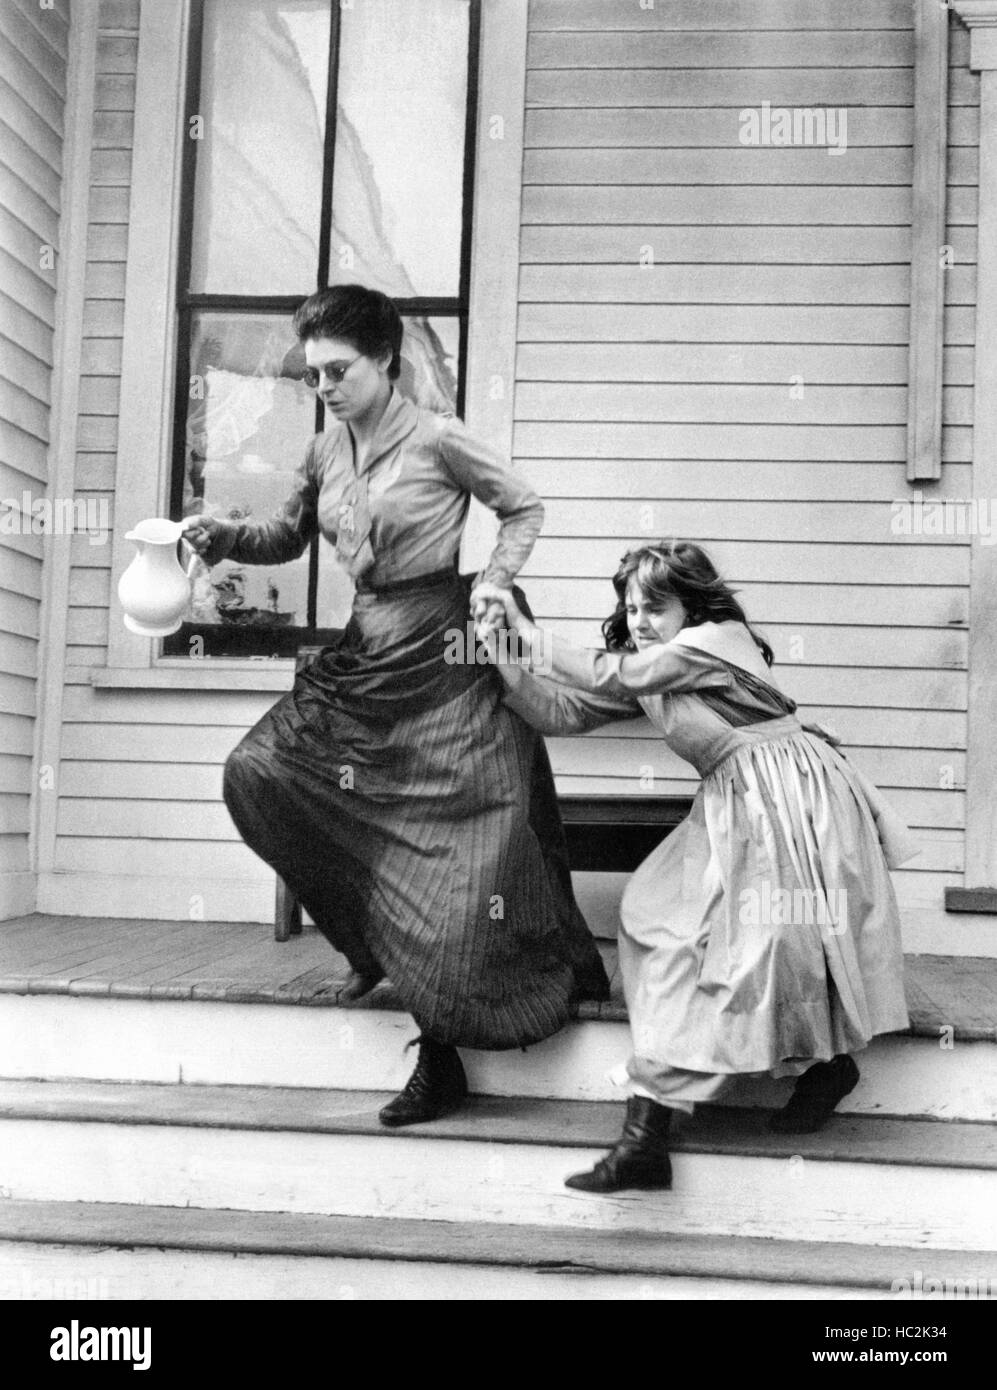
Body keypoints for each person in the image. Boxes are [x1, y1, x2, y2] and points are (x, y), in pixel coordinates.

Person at [182, 284, 608, 1127]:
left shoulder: (440, 439)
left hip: (445, 656)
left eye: (338, 370)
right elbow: (289, 538)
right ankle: (368, 944)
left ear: (384, 360)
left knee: (454, 853)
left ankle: (439, 1061)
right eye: (313, 375)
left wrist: (493, 582)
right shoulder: (322, 451)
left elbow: (523, 506)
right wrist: (222, 535)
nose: (325, 387)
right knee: (259, 772)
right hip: (367, 654)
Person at [473, 540, 917, 1193]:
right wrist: (501, 655)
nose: (641, 619)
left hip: (789, 798)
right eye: (630, 608)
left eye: (656, 605)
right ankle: (655, 1133)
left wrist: (523, 629)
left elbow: (606, 675)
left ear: (694, 602)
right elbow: (561, 710)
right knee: (665, 920)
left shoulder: (714, 641)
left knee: (771, 943)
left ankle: (791, 1081)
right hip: (737, 801)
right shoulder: (656, 668)